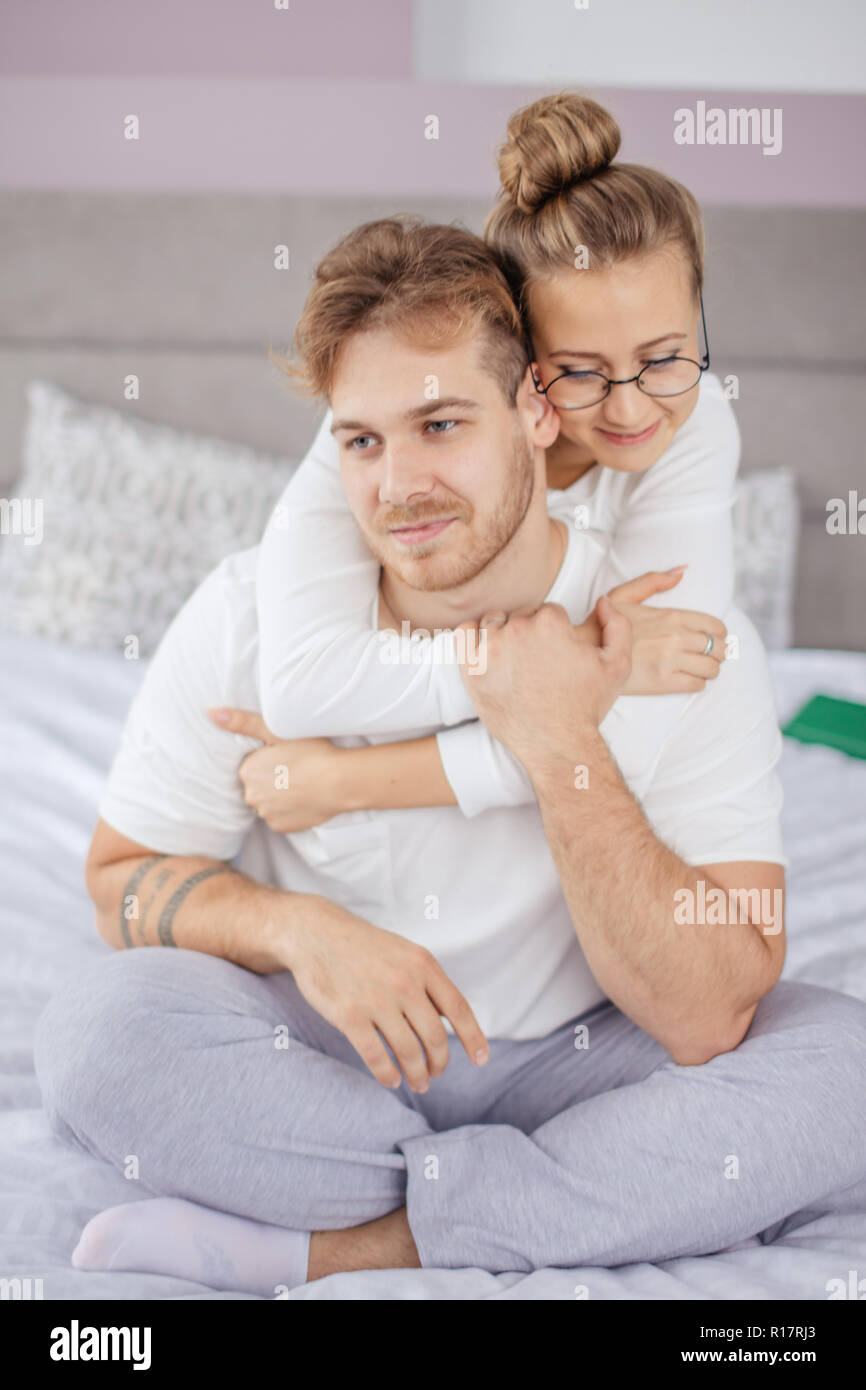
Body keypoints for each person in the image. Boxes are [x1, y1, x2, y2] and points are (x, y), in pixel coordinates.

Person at [33, 215, 866, 1296]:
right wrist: (299, 930)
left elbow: (706, 1014)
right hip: (323, 1056)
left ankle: (350, 1245)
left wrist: (561, 736)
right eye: (361, 440)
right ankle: (583, 1204)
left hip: (583, 1066)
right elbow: (120, 882)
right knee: (96, 1033)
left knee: (840, 1070)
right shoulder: (249, 613)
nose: (396, 488)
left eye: (438, 423)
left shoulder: (672, 635)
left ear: (533, 409)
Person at [249, 93, 737, 829]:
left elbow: (642, 726)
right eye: (578, 371)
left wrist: (344, 782)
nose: (632, 411)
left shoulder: (697, 423)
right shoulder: (381, 440)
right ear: (518, 363)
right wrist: (580, 663)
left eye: (665, 357)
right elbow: (297, 687)